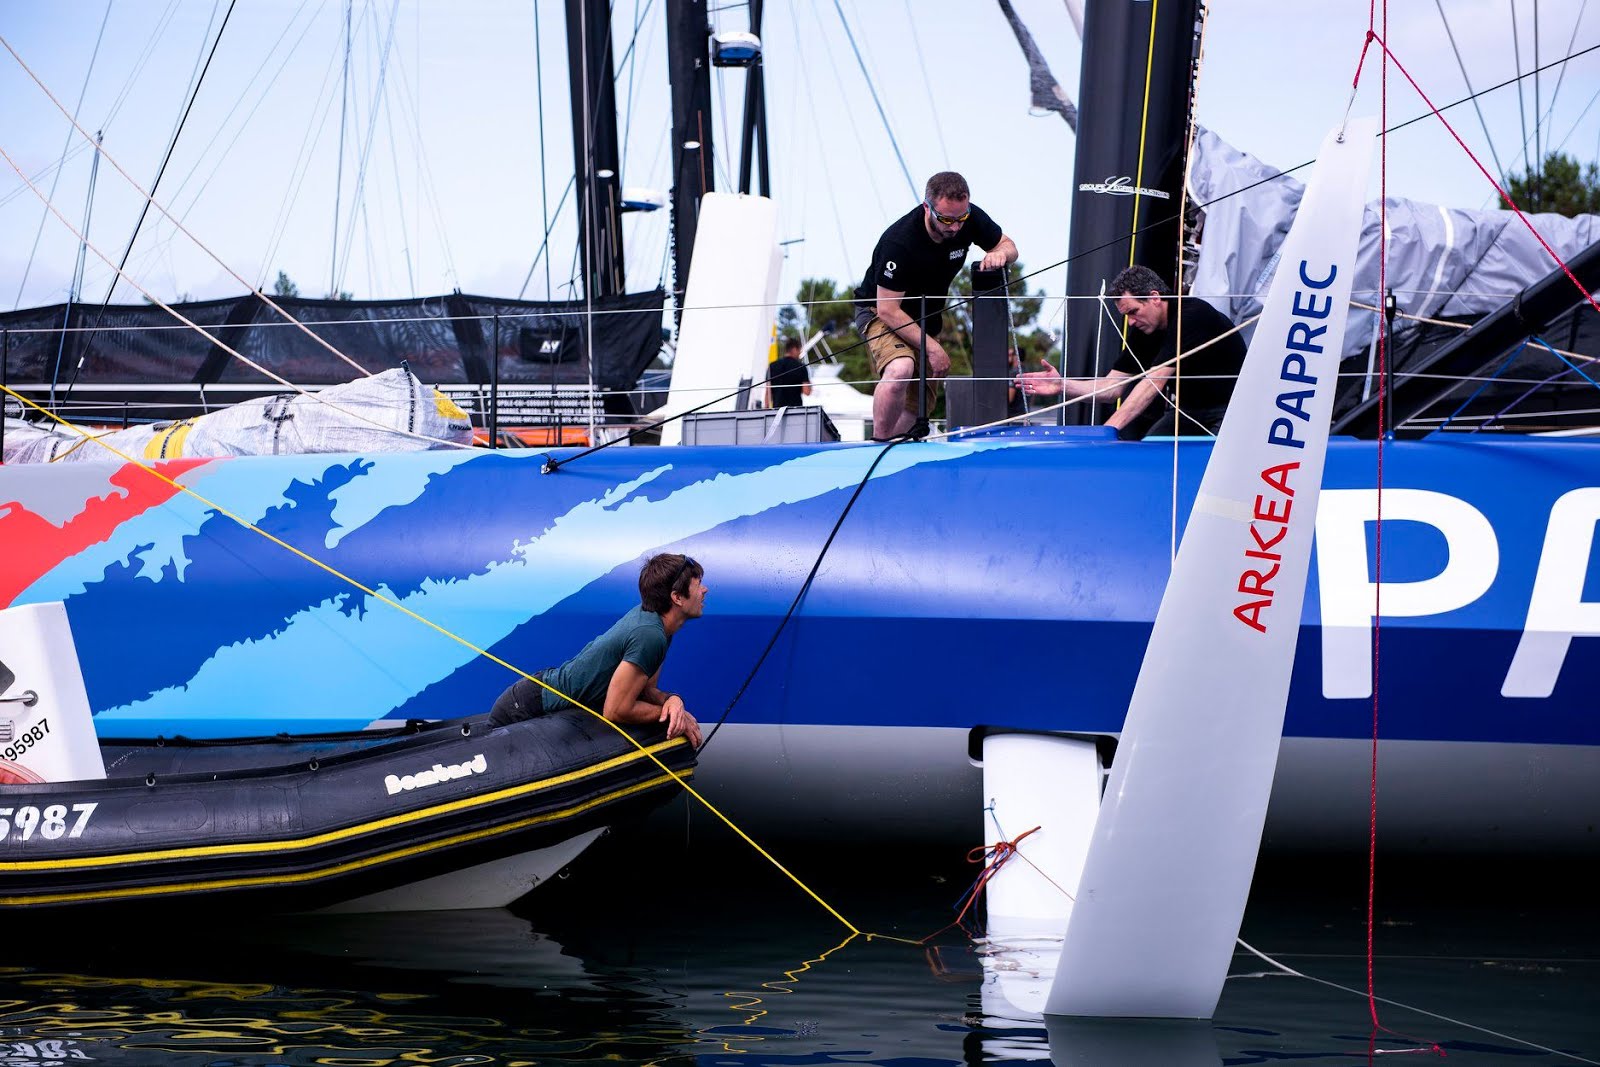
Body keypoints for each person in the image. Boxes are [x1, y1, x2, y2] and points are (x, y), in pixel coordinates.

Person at [853, 171, 1018, 440]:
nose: (955, 227)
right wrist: (933, 347)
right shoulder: (899, 242)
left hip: (926, 319)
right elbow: (888, 310)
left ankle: (897, 447)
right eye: (946, 220)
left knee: (917, 403)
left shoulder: (969, 218)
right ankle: (877, 445)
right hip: (880, 311)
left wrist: (1000, 253)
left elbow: (1009, 246)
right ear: (927, 207)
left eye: (961, 218)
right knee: (900, 369)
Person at [488, 552, 705, 747]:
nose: (704, 590)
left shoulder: (660, 628)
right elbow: (615, 710)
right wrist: (670, 716)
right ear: (677, 597)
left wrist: (672, 701)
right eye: (698, 585)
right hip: (525, 708)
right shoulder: (650, 635)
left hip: (532, 698)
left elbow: (646, 690)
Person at [1019, 265, 1246, 439]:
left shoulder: (1193, 315)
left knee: (1213, 465)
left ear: (1155, 297)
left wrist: (1106, 433)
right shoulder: (1144, 330)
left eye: (1133, 312)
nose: (1130, 322)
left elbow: (1153, 382)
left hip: (1230, 409)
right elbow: (1112, 387)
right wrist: (1062, 385)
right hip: (1188, 410)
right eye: (1126, 315)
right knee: (1151, 452)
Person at [765, 337, 812, 409]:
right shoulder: (800, 367)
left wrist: (767, 409)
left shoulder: (772, 366)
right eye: (799, 350)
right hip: (795, 410)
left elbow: (768, 393)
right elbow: (807, 392)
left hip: (777, 411)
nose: (800, 353)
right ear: (794, 349)